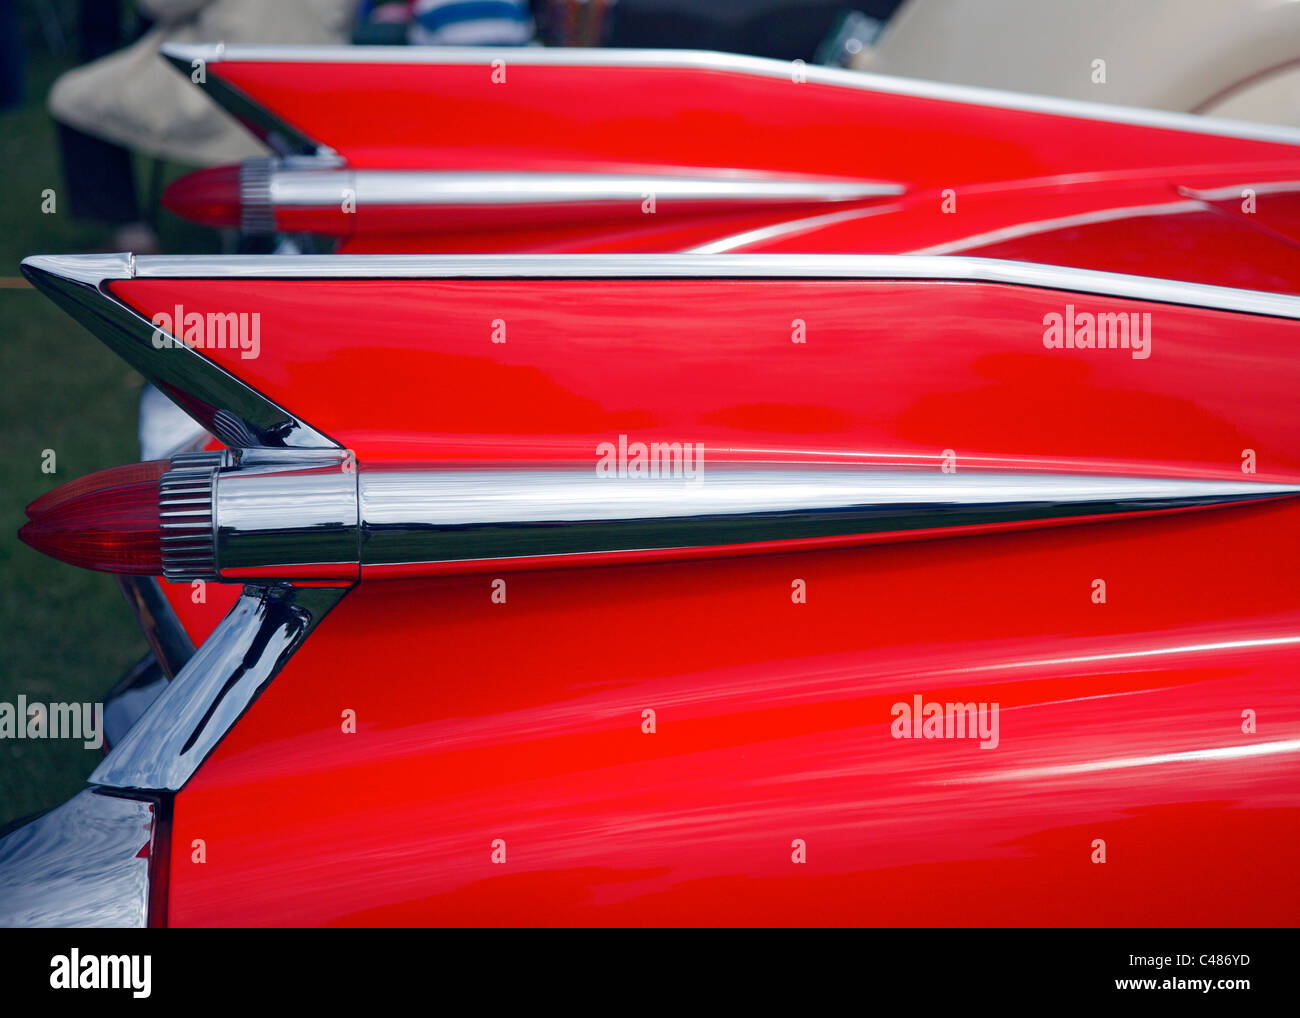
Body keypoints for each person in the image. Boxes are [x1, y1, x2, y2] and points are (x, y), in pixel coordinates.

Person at [48, 0, 358, 251]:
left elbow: (160, 6)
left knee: (70, 96)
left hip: (223, 81)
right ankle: (254, 230)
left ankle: (132, 234)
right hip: (312, 78)